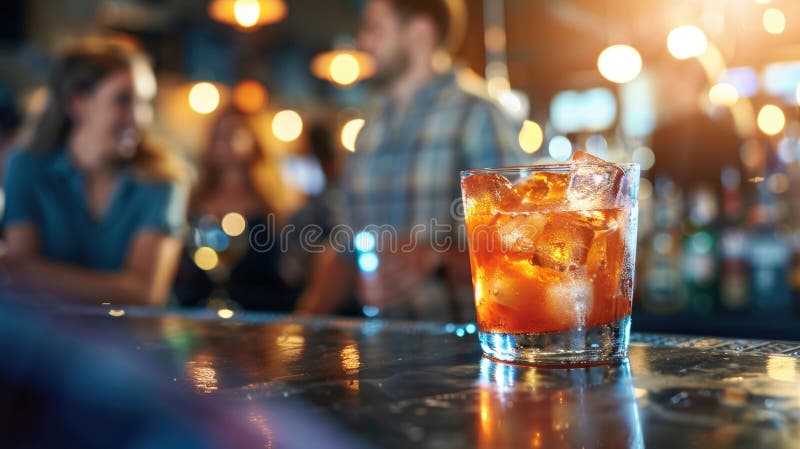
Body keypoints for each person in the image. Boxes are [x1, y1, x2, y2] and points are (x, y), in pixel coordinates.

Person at [295, 0, 525, 320]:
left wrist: (436, 258)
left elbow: (518, 249)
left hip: (461, 351)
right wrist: (300, 328)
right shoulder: (369, 128)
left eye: (374, 28)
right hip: (381, 350)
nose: (362, 42)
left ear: (419, 32)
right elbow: (347, 247)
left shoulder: (479, 114)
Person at [0, 38, 188, 305]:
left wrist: (35, 273)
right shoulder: (27, 165)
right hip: (50, 336)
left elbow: (147, 293)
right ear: (77, 103)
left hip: (137, 341)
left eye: (145, 102)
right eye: (123, 100)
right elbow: (19, 274)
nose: (140, 118)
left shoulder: (162, 177)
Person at [173, 107, 299, 311]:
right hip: (200, 310)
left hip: (261, 309)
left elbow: (288, 267)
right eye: (217, 136)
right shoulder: (193, 198)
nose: (223, 143)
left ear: (254, 140)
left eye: (232, 133)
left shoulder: (273, 201)